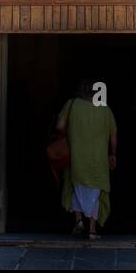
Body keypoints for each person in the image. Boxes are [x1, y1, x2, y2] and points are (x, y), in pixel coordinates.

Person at [56, 78, 117, 240]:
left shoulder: (72, 104)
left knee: (77, 188)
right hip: (99, 160)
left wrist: (71, 132)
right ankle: (92, 231)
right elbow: (113, 136)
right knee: (95, 193)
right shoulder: (105, 108)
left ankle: (78, 221)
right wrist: (113, 154)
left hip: (76, 156)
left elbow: (60, 126)